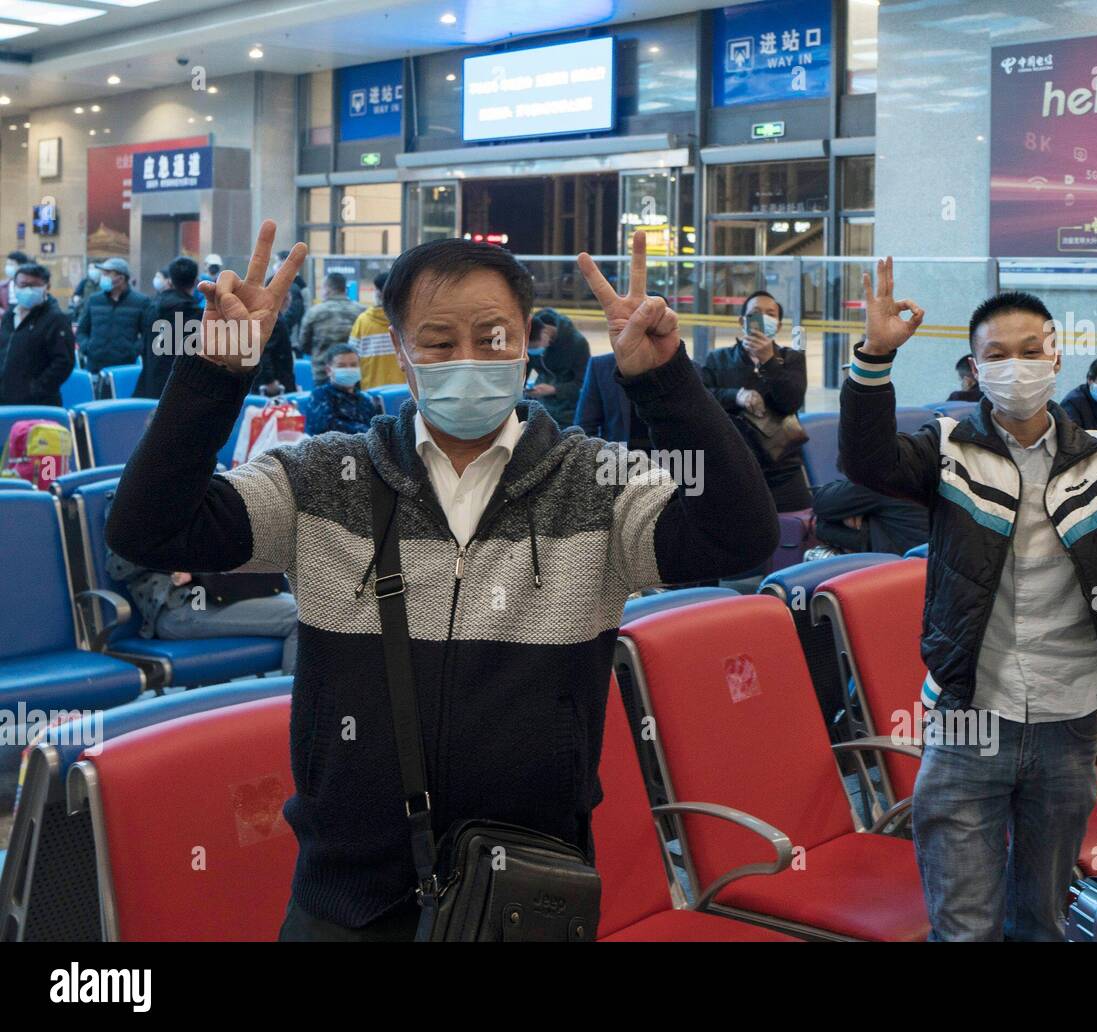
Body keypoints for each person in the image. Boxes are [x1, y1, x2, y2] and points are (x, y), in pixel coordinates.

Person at [105, 223, 776, 941]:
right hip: (347, 896)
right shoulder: (324, 480)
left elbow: (738, 537)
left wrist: (664, 383)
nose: (468, 360)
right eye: (437, 342)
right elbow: (148, 528)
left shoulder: (594, 484)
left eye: (492, 337)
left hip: (525, 893)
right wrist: (215, 375)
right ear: (399, 349)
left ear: (527, 342)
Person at [841, 257, 1097, 942]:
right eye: (997, 355)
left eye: (1032, 351)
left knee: (1045, 923)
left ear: (1057, 354)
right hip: (969, 718)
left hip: (1070, 719)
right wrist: (875, 357)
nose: (1017, 366)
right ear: (973, 369)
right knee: (964, 927)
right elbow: (866, 460)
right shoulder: (945, 451)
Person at [700, 289, 811, 512]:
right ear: (742, 321)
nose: (763, 318)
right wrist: (736, 396)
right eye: (755, 313)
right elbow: (703, 400)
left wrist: (768, 360)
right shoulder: (718, 359)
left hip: (783, 469)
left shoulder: (792, 359)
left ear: (778, 325)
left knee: (795, 531)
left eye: (770, 314)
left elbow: (791, 401)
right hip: (733, 467)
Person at [105, 549, 298, 673]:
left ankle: (305, 713)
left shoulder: (209, 491)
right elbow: (117, 567)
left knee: (313, 610)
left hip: (234, 590)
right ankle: (294, 715)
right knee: (301, 618)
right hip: (184, 603)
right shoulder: (134, 501)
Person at [0, 262, 74, 406]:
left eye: (34, 286)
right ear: (15, 287)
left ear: (47, 287)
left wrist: (36, 389)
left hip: (38, 402)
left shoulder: (56, 318)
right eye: (22, 285)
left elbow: (64, 362)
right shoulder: (10, 315)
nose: (27, 290)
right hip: (5, 398)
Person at [136, 257, 203, 399]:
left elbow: (143, 348)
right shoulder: (197, 315)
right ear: (196, 281)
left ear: (170, 281)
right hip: (182, 392)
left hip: (150, 386)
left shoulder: (152, 308)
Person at [810, 477, 928, 556]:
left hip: (899, 566)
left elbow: (822, 504)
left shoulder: (885, 477)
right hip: (926, 562)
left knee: (823, 525)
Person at [76, 256, 150, 375]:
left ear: (120, 279)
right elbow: (82, 330)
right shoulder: (94, 300)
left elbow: (148, 334)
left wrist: (133, 351)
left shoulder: (141, 302)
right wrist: (87, 348)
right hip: (95, 365)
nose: (102, 278)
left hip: (124, 367)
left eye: (106, 274)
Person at [526, 307, 590, 427]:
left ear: (545, 333)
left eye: (535, 348)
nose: (533, 353)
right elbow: (524, 372)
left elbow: (584, 385)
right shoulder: (532, 332)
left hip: (568, 411)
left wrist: (554, 390)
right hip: (541, 406)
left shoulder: (577, 344)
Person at [576, 351, 651, 452]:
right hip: (616, 459)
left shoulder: (676, 365)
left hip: (669, 459)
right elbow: (584, 428)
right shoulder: (601, 366)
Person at [300, 272, 363, 385]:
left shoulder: (314, 312)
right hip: (352, 373)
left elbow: (304, 344)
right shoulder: (361, 311)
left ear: (327, 289)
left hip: (322, 371)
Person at [303, 342, 379, 435]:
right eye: (341, 366)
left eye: (353, 365)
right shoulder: (320, 396)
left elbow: (375, 428)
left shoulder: (364, 399)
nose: (349, 369)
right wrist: (365, 433)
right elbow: (325, 429)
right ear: (328, 370)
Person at [348, 272, 402, 387]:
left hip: (372, 391)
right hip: (404, 391)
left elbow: (351, 356)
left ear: (379, 294)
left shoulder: (363, 322)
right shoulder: (406, 321)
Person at [250, 289, 297, 396]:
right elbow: (263, 352)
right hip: (274, 386)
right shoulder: (273, 320)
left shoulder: (266, 316)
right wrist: (269, 380)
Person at [0, 250, 30, 316]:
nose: (8, 267)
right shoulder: (2, 286)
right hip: (6, 321)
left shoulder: (31, 285)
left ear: (21, 266)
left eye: (11, 264)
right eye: (7, 264)